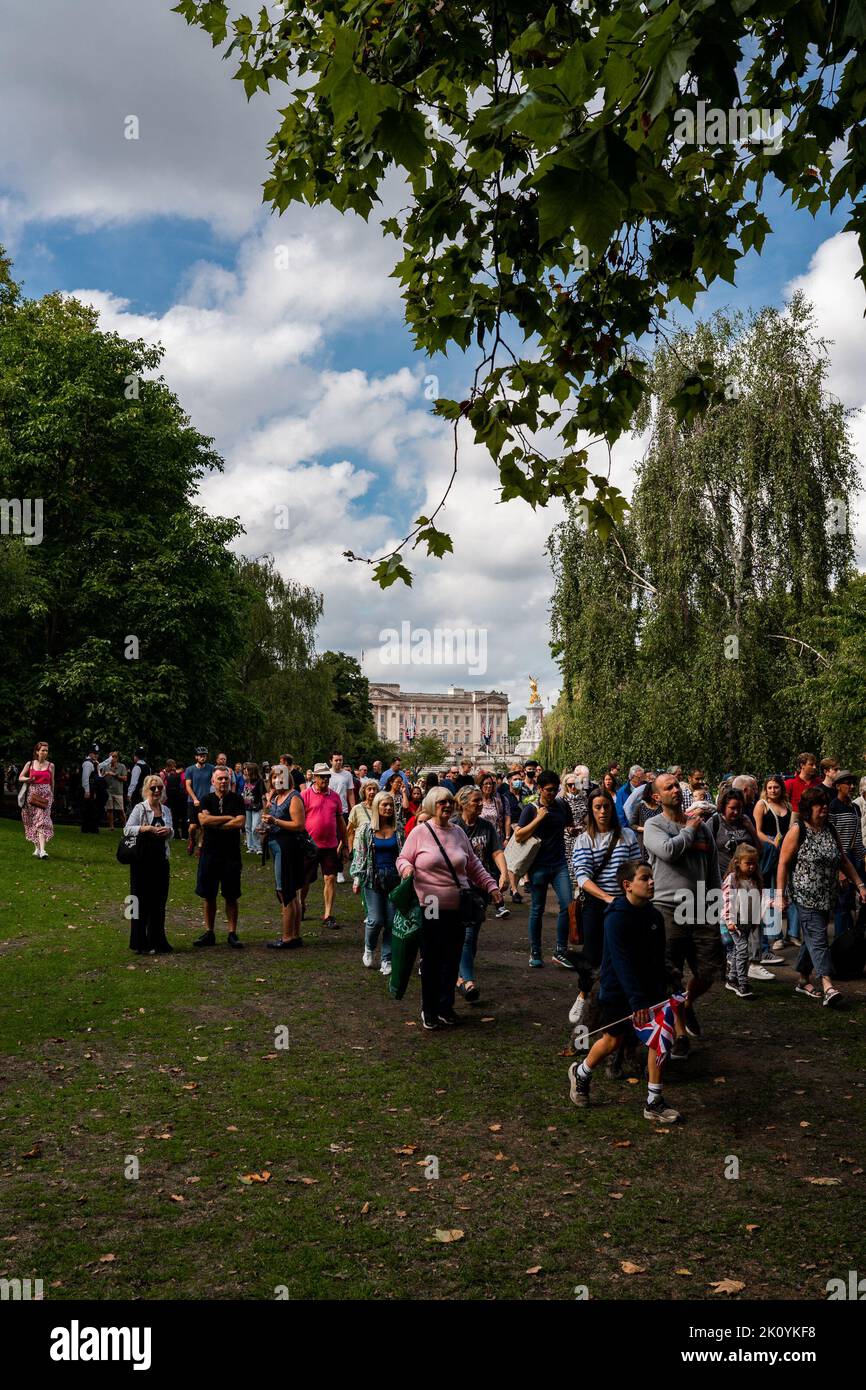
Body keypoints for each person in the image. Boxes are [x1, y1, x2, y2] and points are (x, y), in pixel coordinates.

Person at [568, 861, 681, 1125]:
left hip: (648, 995)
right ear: (627, 886)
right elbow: (621, 962)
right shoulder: (616, 917)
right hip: (619, 992)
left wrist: (669, 987)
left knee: (659, 1040)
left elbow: (656, 958)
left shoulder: (654, 916)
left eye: (651, 877)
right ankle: (581, 1072)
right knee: (612, 1041)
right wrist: (637, 1001)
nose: (651, 882)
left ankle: (654, 1102)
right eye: (645, 878)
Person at [396, 787, 502, 1029]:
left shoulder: (458, 833)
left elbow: (473, 864)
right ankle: (429, 1009)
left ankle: (446, 1006)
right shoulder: (421, 832)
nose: (446, 806)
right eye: (441, 802)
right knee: (432, 957)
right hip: (430, 903)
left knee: (452, 956)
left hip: (457, 904)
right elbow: (402, 858)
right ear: (433, 805)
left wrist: (491, 886)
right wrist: (407, 870)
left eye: (449, 802)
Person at [643, 772, 723, 1057]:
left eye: (677, 785)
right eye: (669, 787)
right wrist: (688, 829)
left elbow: (713, 867)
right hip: (668, 909)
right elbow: (668, 851)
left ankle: (687, 1005)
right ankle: (678, 1034)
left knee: (709, 970)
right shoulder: (654, 825)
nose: (676, 790)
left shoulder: (702, 828)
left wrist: (716, 904)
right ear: (657, 797)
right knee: (671, 974)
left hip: (701, 908)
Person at [775, 784, 866, 1006]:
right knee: (819, 938)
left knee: (812, 937)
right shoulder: (798, 830)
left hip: (827, 895)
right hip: (805, 895)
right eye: (819, 804)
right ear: (808, 807)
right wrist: (780, 895)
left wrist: (860, 884)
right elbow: (783, 864)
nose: (824, 807)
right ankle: (828, 985)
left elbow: (843, 859)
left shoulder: (830, 829)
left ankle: (803, 979)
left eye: (825, 803)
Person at [571, 789, 640, 1013]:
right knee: (592, 954)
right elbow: (582, 877)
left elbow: (636, 868)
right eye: (597, 807)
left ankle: (619, 1000)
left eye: (606, 806)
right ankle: (583, 993)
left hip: (623, 903)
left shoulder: (627, 836)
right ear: (591, 810)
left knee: (623, 952)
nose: (602, 811)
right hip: (596, 903)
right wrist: (606, 897)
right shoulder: (584, 840)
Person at [453, 785, 510, 1002]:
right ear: (464, 803)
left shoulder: (486, 827)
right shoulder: (454, 826)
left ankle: (460, 976)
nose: (480, 804)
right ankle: (467, 981)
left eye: (480, 800)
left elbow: (496, 851)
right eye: (476, 801)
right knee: (464, 936)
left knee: (472, 937)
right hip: (457, 888)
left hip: (480, 889)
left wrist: (503, 873)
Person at [514, 770, 575, 969]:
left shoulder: (562, 805)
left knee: (568, 905)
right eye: (548, 790)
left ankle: (560, 950)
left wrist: (572, 829)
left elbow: (569, 823)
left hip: (559, 864)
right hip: (538, 866)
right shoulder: (530, 809)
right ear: (539, 789)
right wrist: (539, 818)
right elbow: (519, 836)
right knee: (537, 909)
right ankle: (535, 951)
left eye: (555, 790)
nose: (552, 793)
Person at [351, 790, 404, 975]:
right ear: (377, 807)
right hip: (372, 879)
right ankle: (369, 947)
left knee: (391, 922)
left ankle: (386, 959)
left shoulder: (399, 830)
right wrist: (357, 877)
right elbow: (360, 855)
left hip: (394, 879)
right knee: (375, 920)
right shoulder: (367, 829)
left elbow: (404, 854)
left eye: (391, 805)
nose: (388, 808)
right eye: (384, 805)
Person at [193, 766, 245, 949]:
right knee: (208, 894)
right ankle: (209, 932)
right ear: (212, 781)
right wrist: (227, 819)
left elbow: (240, 822)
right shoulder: (206, 800)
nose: (223, 782)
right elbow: (203, 821)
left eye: (225, 779)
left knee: (231, 895)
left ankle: (232, 932)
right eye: (220, 779)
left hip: (231, 854)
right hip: (210, 853)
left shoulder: (237, 799)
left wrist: (215, 821)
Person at [123, 775, 173, 954]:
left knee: (158, 902)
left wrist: (168, 831)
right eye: (153, 788)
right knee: (137, 901)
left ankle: (158, 940)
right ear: (146, 790)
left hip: (161, 861)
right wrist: (147, 828)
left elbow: (171, 831)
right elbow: (127, 829)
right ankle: (138, 941)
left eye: (159, 787)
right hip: (142, 862)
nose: (157, 791)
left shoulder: (166, 810)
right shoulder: (140, 808)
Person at [261, 768, 306, 950]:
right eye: (274, 777)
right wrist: (266, 828)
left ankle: (288, 937)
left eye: (281, 776)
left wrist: (275, 822)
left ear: (288, 779)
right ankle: (294, 935)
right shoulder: (276, 798)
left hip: (287, 849)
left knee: (285, 892)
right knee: (289, 892)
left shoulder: (293, 797)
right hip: (277, 847)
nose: (277, 780)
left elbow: (299, 825)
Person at [301, 763, 348, 930]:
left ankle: (328, 914)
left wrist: (345, 843)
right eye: (322, 777)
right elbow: (299, 821)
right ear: (315, 777)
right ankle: (301, 904)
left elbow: (341, 822)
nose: (325, 780)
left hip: (330, 845)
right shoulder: (305, 795)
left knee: (330, 878)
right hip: (310, 845)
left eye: (327, 777)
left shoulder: (335, 797)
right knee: (305, 880)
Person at [721, 843, 765, 999]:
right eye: (748, 863)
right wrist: (729, 920)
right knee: (742, 951)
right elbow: (726, 900)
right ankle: (742, 982)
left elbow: (756, 901)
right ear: (738, 862)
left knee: (737, 951)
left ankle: (732, 978)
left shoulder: (754, 879)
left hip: (747, 921)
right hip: (735, 921)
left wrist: (755, 920)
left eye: (754, 863)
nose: (752, 866)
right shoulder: (732, 879)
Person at [754, 775, 793, 946]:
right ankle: (774, 936)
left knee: (785, 891)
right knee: (770, 892)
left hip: (787, 851)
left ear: (781, 788)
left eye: (776, 787)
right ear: (765, 789)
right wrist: (773, 843)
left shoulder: (788, 805)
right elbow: (757, 831)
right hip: (770, 852)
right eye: (769, 787)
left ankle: (790, 934)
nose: (772, 790)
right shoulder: (762, 805)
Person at [829, 771, 864, 937]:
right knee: (842, 904)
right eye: (847, 784)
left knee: (856, 899)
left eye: (852, 784)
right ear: (838, 786)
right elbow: (831, 839)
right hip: (840, 858)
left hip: (854, 857)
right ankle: (841, 940)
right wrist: (840, 870)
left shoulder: (855, 807)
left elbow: (856, 838)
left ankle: (854, 936)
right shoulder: (833, 807)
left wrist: (863, 857)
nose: (850, 787)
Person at [19, 741, 55, 859]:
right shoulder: (30, 764)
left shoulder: (51, 766)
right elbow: (20, 777)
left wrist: (52, 795)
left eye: (46, 750)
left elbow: (52, 782)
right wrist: (28, 779)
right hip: (32, 796)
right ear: (37, 752)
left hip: (45, 797)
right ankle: (37, 848)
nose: (45, 752)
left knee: (42, 821)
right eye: (43, 750)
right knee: (32, 821)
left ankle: (43, 850)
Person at [328, 752, 356, 883]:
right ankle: (330, 868)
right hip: (328, 812)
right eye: (336, 760)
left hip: (343, 811)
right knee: (330, 841)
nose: (338, 762)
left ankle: (339, 871)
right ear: (331, 761)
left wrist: (353, 809)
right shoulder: (327, 774)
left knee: (341, 840)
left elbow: (350, 793)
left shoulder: (347, 775)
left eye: (340, 760)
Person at [185, 748, 215, 856]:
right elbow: (188, 785)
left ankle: (200, 847)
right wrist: (195, 799)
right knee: (192, 826)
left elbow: (214, 782)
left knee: (204, 826)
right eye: (201, 755)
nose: (203, 757)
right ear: (196, 757)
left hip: (206, 801)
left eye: (205, 755)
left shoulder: (211, 768)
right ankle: (192, 840)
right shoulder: (190, 769)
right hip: (193, 801)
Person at [99, 751, 128, 830]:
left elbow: (125, 778)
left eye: (114, 757)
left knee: (120, 810)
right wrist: (105, 774)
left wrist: (115, 775)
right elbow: (100, 777)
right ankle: (111, 827)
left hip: (118, 791)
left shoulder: (122, 766)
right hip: (108, 791)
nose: (112, 758)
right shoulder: (105, 767)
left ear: (117, 758)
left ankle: (126, 827)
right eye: (110, 757)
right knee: (109, 809)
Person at [162, 759, 188, 839]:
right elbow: (185, 787)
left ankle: (176, 835)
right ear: (182, 768)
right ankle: (184, 835)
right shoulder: (183, 776)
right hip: (182, 799)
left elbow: (167, 788)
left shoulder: (170, 777)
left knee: (175, 818)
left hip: (172, 800)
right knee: (184, 818)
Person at [80, 744, 103, 834]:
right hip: (89, 789)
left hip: (93, 788)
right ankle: (87, 828)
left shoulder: (94, 763)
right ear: (90, 753)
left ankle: (91, 827)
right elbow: (85, 778)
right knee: (89, 808)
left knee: (92, 808)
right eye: (94, 753)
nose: (96, 755)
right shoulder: (88, 763)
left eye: (97, 753)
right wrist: (87, 791)